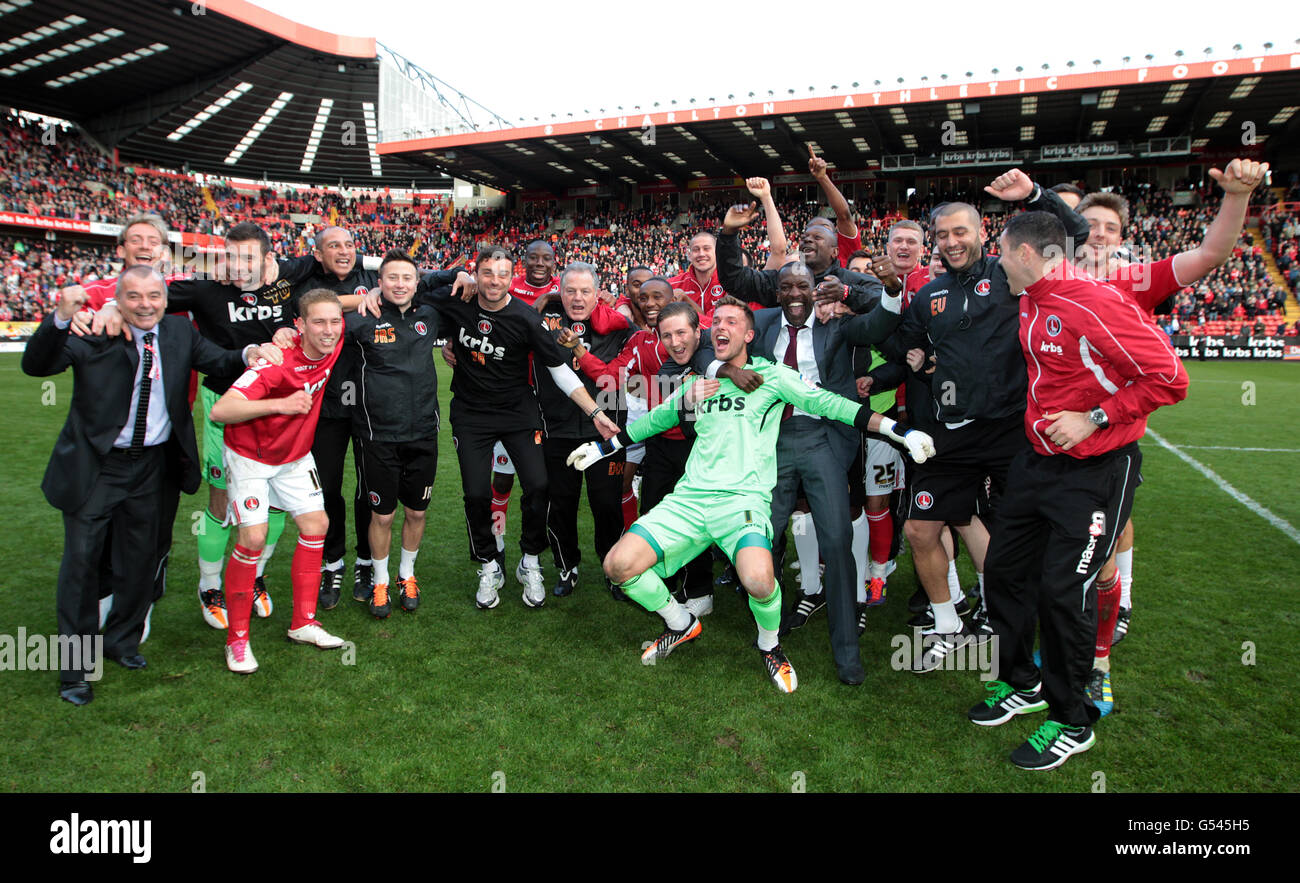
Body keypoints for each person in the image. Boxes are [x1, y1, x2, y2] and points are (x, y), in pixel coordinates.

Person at [570, 296, 935, 693]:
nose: (720, 327)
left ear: (749, 334)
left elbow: (833, 405)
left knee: (759, 581)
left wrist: (898, 431)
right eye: (717, 322)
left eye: (731, 321)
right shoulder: (697, 384)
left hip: (743, 503)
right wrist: (602, 448)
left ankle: (769, 645)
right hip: (690, 500)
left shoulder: (774, 377)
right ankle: (681, 624)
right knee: (618, 567)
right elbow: (655, 421)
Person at [968, 211, 1187, 770]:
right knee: (1004, 573)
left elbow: (1169, 378)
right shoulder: (1030, 297)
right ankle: (1023, 683)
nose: (996, 261)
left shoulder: (1095, 301)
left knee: (1064, 592)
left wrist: (1094, 416)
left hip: (1095, 470)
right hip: (1037, 463)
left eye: (1002, 251)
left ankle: (1072, 719)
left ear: (1025, 254)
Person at [1070, 157, 1268, 711]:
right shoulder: (1043, 281)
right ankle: (1066, 647)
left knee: (1099, 558)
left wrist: (1234, 197)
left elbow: (1210, 255)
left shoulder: (1133, 279)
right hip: (1044, 443)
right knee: (1058, 563)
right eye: (1093, 226)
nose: (1102, 235)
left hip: (1106, 442)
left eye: (1113, 228)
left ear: (1123, 239)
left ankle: (1100, 661)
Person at [23, 266, 274, 702]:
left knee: (140, 561)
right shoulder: (96, 330)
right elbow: (37, 365)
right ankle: (75, 669)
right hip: (97, 467)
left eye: (154, 296)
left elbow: (219, 359)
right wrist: (61, 317)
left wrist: (252, 352)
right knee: (81, 567)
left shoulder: (178, 335)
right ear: (118, 299)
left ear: (165, 299)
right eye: (135, 296)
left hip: (154, 467)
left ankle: (121, 641)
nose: (145, 305)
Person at [886, 169, 1089, 671]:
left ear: (981, 232)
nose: (952, 242)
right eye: (943, 235)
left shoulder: (1011, 273)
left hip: (1012, 432)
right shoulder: (927, 294)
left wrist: (1037, 196)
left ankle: (1012, 627)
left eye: (961, 232)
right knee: (920, 530)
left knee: (1021, 539)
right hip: (950, 433)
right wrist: (909, 359)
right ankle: (948, 626)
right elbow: (904, 344)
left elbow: (1074, 238)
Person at [703, 261, 904, 685]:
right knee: (764, 538)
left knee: (837, 538)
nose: (795, 294)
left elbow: (881, 323)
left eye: (803, 286)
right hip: (771, 440)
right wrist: (727, 369)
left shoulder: (838, 323)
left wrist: (890, 287)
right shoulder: (764, 322)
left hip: (823, 439)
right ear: (776, 293)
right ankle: (769, 638)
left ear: (815, 289)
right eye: (786, 287)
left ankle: (847, 650)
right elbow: (710, 344)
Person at [418, 245, 619, 608]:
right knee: (476, 493)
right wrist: (452, 275)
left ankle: (530, 560)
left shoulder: (527, 318)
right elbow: (407, 289)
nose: (494, 281)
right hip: (471, 415)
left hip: (518, 413)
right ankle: (489, 564)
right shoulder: (456, 302)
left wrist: (595, 413)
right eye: (487, 273)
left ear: (513, 279)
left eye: (502, 274)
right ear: (476, 274)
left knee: (540, 485)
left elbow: (560, 371)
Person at [209, 289, 353, 673]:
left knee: (316, 525)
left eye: (334, 321)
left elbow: (347, 304)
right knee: (252, 539)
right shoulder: (274, 362)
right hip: (250, 457)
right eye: (318, 322)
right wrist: (280, 404)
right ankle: (237, 640)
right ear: (299, 326)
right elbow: (221, 410)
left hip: (293, 457)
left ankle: (303, 622)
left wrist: (367, 295)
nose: (328, 330)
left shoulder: (333, 343)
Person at [570, 284, 717, 609]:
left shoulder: (702, 331)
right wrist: (579, 352)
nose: (649, 304)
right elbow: (610, 377)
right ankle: (663, 582)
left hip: (699, 441)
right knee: (652, 511)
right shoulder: (639, 342)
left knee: (696, 516)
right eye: (643, 298)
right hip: (661, 441)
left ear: (674, 302)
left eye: (657, 297)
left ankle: (700, 589)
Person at [344, 250, 443, 618]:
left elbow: (457, 279)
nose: (400, 285)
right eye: (392, 278)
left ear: (417, 283)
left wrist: (461, 276)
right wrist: (358, 299)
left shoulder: (430, 315)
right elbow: (312, 310)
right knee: (382, 516)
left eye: (407, 278)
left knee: (416, 513)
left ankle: (407, 575)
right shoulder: (360, 320)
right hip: (377, 436)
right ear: (379, 283)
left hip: (423, 434)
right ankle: (380, 580)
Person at [537, 262, 635, 595]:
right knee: (561, 503)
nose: (577, 298)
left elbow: (627, 363)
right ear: (559, 292)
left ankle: (613, 568)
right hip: (558, 430)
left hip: (606, 432)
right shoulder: (544, 324)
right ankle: (567, 567)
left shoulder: (619, 327)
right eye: (570, 291)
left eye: (585, 291)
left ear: (598, 294)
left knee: (606, 503)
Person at [491, 240, 561, 562]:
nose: (539, 262)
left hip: (550, 399)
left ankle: (532, 551)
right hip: (509, 396)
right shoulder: (508, 288)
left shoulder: (565, 291)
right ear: (524, 261)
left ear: (554, 262)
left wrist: (555, 297)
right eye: (533, 256)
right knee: (502, 477)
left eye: (546, 257)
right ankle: (497, 535)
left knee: (540, 481)